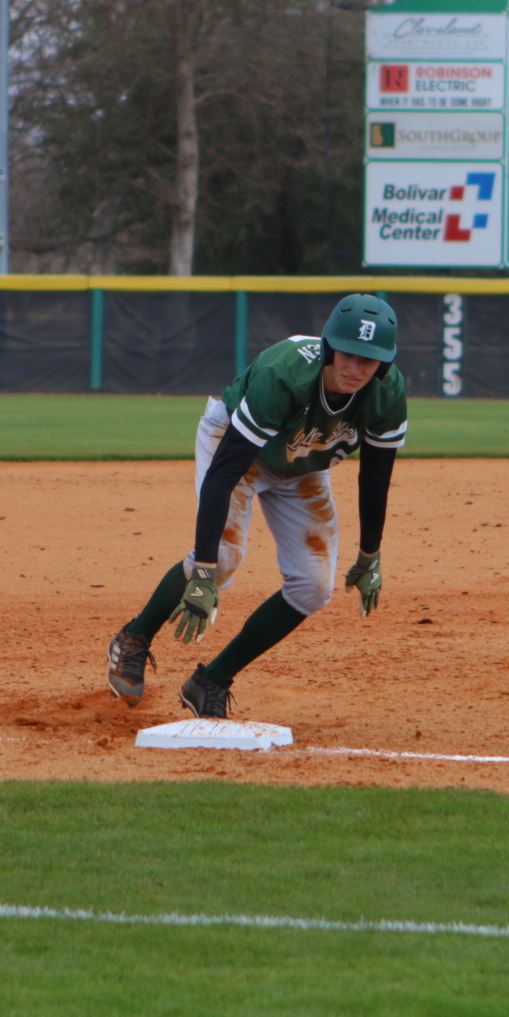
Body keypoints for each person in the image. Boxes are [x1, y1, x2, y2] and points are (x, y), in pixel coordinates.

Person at [105, 295, 407, 719]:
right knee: (223, 557)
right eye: (347, 354)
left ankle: (211, 680)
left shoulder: (386, 394)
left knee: (314, 586)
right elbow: (223, 473)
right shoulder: (283, 376)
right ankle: (133, 639)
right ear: (329, 348)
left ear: (385, 365)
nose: (355, 369)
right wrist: (205, 571)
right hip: (234, 447)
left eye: (369, 361)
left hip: (301, 462)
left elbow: (375, 477)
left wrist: (370, 554)